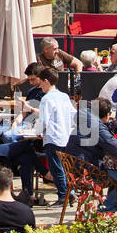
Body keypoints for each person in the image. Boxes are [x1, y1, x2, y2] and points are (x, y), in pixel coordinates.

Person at [75, 99, 117, 211]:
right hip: (87, 172)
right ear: (107, 115)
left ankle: (110, 208)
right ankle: (104, 210)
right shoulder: (96, 126)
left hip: (75, 168)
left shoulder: (84, 119)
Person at [36, 66, 75, 206]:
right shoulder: (64, 96)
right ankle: (70, 193)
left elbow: (44, 120)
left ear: (46, 81)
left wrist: (38, 132)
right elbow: (72, 115)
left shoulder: (46, 99)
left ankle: (63, 196)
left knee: (56, 168)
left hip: (52, 137)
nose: (40, 85)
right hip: (65, 136)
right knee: (65, 167)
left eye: (40, 82)